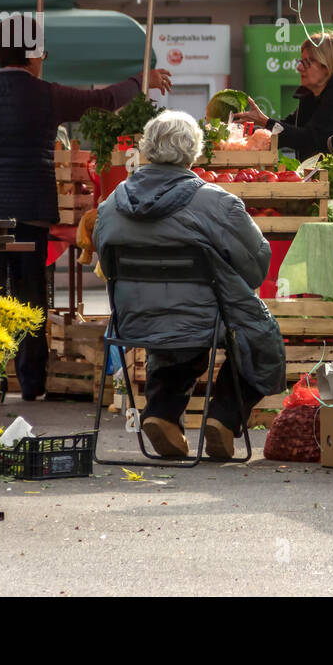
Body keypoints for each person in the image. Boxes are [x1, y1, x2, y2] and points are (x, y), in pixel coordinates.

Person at [0, 15, 173, 401]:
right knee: (29, 299)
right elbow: (103, 101)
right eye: (42, 51)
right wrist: (141, 80)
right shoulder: (46, 94)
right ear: (32, 55)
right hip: (27, 214)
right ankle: (32, 386)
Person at [94, 110, 286, 459]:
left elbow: (106, 266)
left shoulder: (110, 207)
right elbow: (257, 266)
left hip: (134, 320)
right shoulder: (217, 203)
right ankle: (224, 418)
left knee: (179, 327)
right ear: (195, 152)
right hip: (201, 319)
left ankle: (162, 413)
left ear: (146, 150)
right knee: (257, 338)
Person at [233, 31, 333, 159]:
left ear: (326, 65)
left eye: (307, 62)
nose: (299, 67)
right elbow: (289, 128)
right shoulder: (312, 95)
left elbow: (311, 138)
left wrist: (265, 122)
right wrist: (245, 131)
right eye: (300, 61)